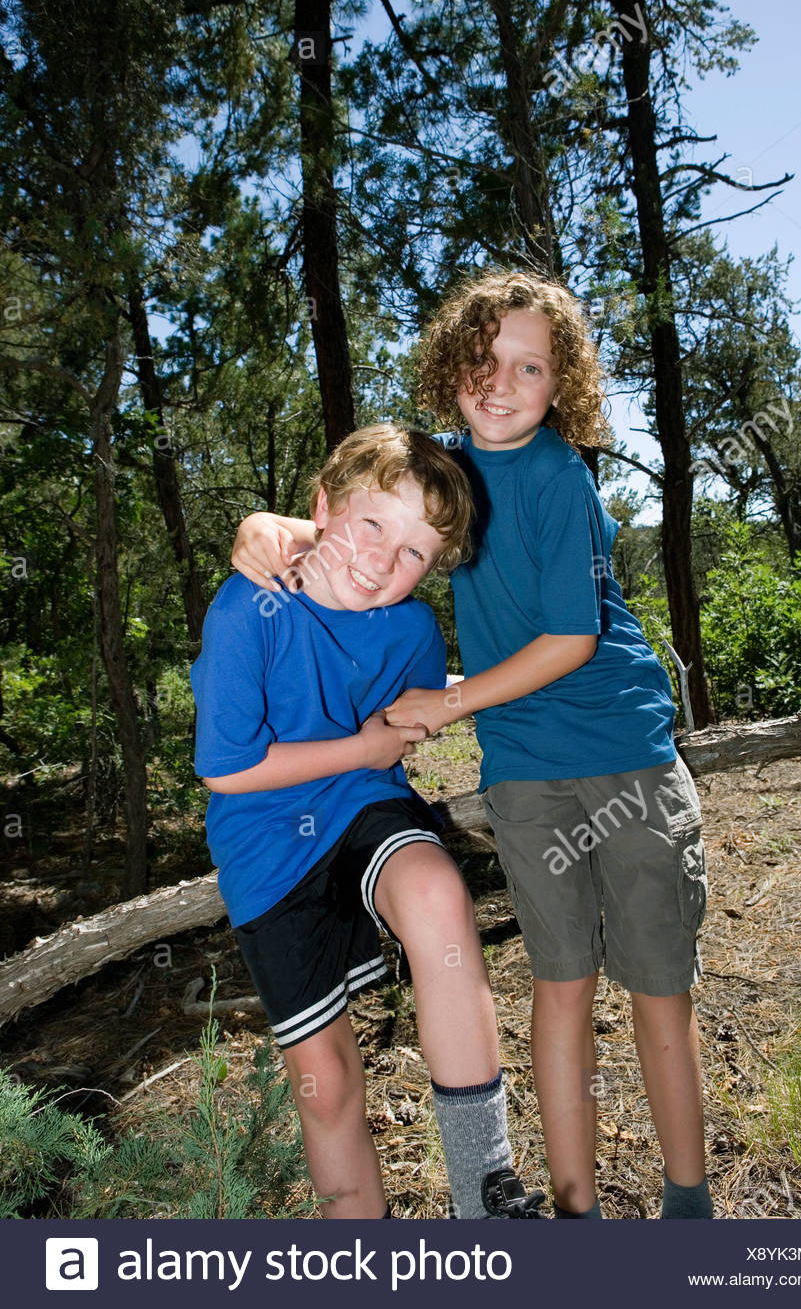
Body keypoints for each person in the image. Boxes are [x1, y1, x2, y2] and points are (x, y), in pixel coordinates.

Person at [230, 274, 712, 1222]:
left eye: (528, 366)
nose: (501, 383)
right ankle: (571, 1216)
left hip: (626, 755)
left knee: (659, 989)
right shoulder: (437, 471)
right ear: (452, 366)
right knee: (560, 985)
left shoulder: (560, 475)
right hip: (525, 777)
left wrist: (443, 708)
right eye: (483, 361)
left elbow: (571, 639)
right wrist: (272, 524)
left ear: (560, 382)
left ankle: (688, 1207)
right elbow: (358, 500)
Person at [192, 423, 543, 1221]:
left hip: (363, 805)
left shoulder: (412, 628)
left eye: (417, 552)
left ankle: (484, 1186)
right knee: (327, 1087)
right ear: (322, 508)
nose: (386, 561)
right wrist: (364, 745)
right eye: (373, 524)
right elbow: (227, 768)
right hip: (265, 842)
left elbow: (403, 716)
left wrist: (444, 710)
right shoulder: (250, 608)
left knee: (434, 894)